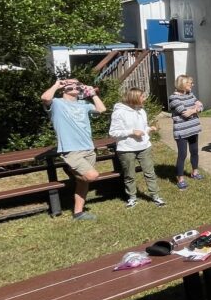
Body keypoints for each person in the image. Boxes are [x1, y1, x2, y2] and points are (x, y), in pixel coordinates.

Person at [41, 77, 107, 221]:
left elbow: (102, 109)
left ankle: (78, 213)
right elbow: (45, 97)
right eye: (71, 84)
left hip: (88, 148)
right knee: (92, 175)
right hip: (71, 150)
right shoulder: (57, 104)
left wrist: (93, 94)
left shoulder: (84, 104)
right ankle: (71, 171)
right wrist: (57, 85)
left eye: (78, 85)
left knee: (83, 182)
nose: (75, 86)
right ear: (64, 88)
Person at [109, 87, 165, 208]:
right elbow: (113, 132)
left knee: (150, 172)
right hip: (126, 149)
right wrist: (131, 132)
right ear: (134, 98)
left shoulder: (141, 111)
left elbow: (143, 129)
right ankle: (132, 198)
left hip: (144, 146)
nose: (145, 99)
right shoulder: (119, 112)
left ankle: (155, 196)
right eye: (142, 97)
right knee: (130, 175)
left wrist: (150, 129)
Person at [169, 74, 205, 190]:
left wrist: (196, 109)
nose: (192, 85)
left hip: (193, 128)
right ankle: (180, 179)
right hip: (182, 131)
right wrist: (196, 108)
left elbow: (202, 106)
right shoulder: (174, 98)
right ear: (183, 84)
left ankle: (195, 172)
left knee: (194, 151)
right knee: (182, 154)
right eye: (190, 83)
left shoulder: (190, 94)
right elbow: (185, 113)